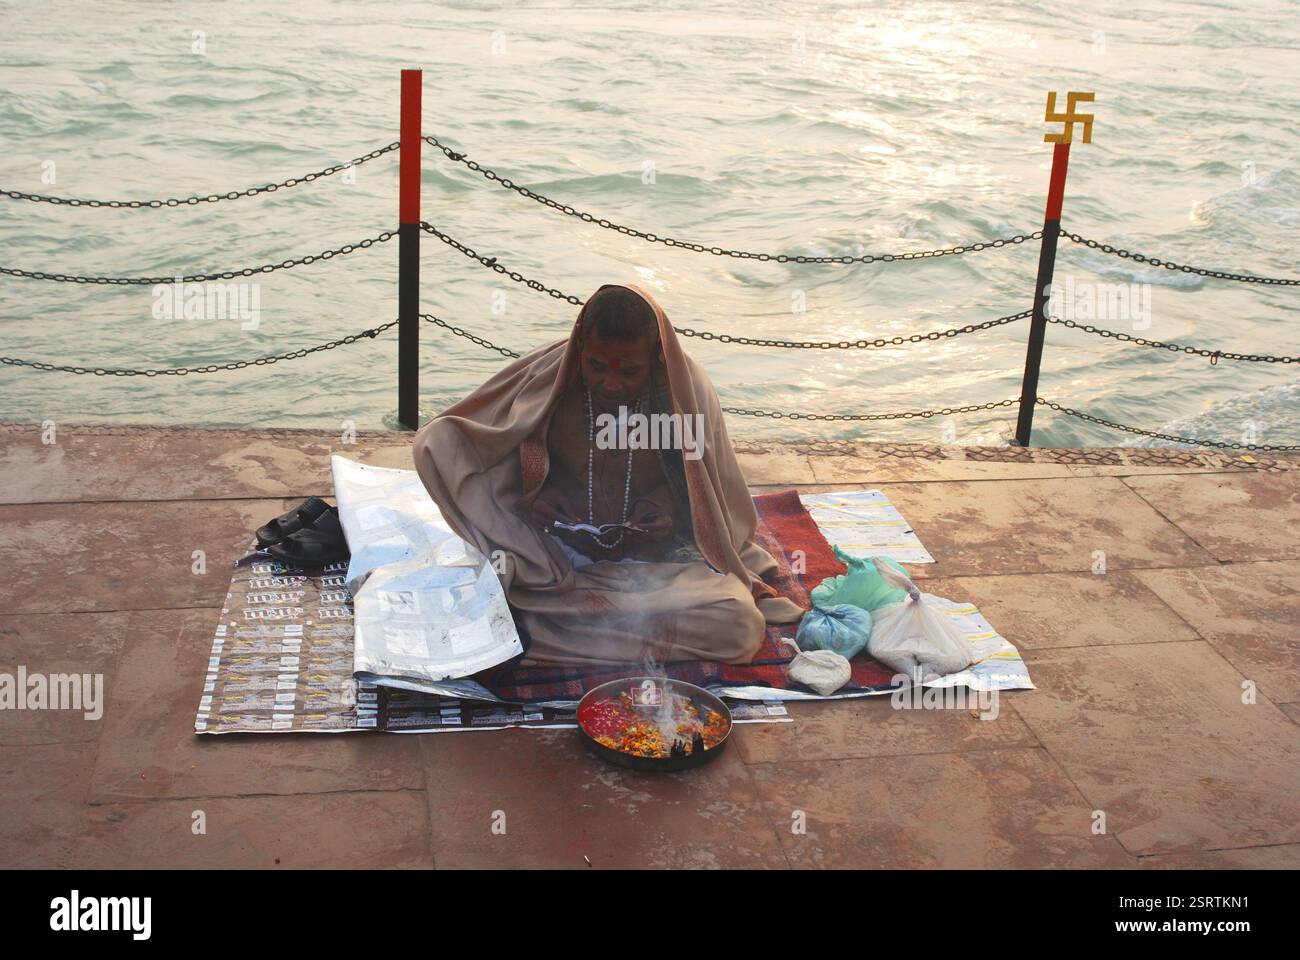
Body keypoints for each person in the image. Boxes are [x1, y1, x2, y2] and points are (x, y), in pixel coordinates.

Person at [412, 283, 803, 666]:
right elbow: (447, 442)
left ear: (655, 360)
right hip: (558, 562)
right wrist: (533, 499)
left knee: (738, 622)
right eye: (596, 366)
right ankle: (541, 623)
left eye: (630, 371)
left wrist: (663, 511)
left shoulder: (684, 395)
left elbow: (707, 496)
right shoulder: (547, 381)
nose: (611, 384)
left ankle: (530, 633)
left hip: (656, 567)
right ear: (579, 346)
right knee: (501, 578)